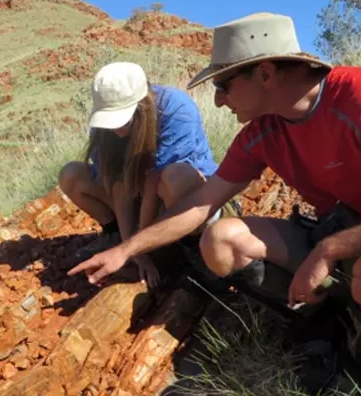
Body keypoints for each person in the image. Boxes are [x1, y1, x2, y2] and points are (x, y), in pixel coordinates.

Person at [68, 13, 361, 393]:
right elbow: (201, 204)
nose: (217, 100)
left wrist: (329, 250)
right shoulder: (263, 132)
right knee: (221, 239)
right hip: (334, 234)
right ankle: (320, 321)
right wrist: (126, 248)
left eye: (223, 85)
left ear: (265, 74)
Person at [58, 61, 235, 287]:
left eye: (123, 121)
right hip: (138, 197)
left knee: (175, 177)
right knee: (71, 174)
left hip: (187, 198)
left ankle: (198, 247)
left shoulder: (175, 108)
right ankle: (114, 236)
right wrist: (129, 246)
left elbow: (155, 181)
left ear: (141, 105)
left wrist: (137, 245)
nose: (116, 130)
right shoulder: (103, 131)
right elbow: (118, 187)